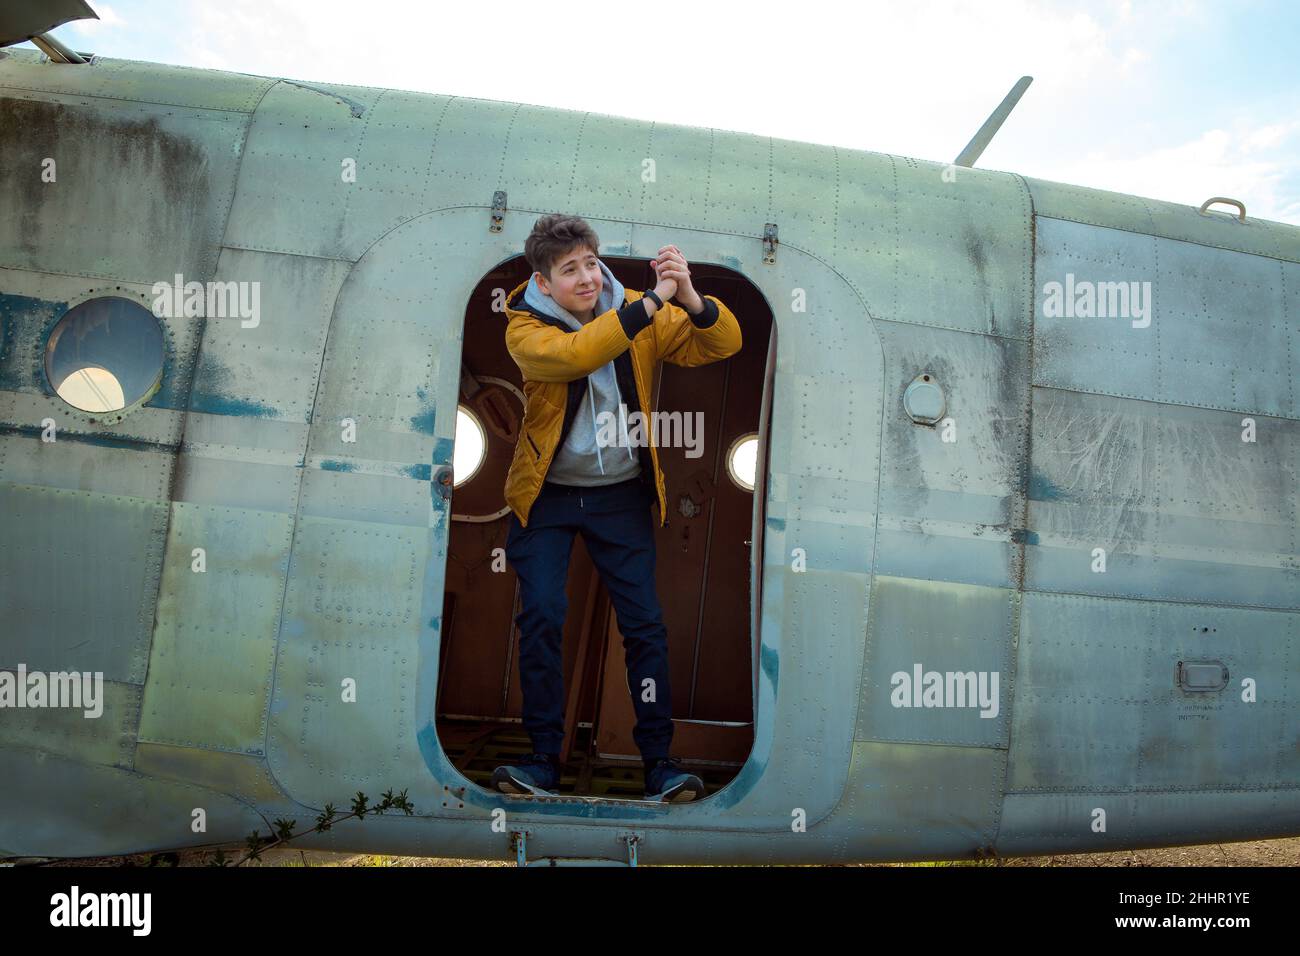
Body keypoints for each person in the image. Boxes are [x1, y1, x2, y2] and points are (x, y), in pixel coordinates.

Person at [493, 214, 742, 802]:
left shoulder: (640, 306)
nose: (585, 278)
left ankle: (660, 762)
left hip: (621, 496)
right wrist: (655, 301)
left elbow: (721, 342)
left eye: (589, 262)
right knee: (543, 617)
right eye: (568, 270)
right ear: (544, 281)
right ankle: (539, 760)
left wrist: (689, 296)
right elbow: (580, 354)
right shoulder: (523, 328)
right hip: (546, 496)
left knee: (644, 626)